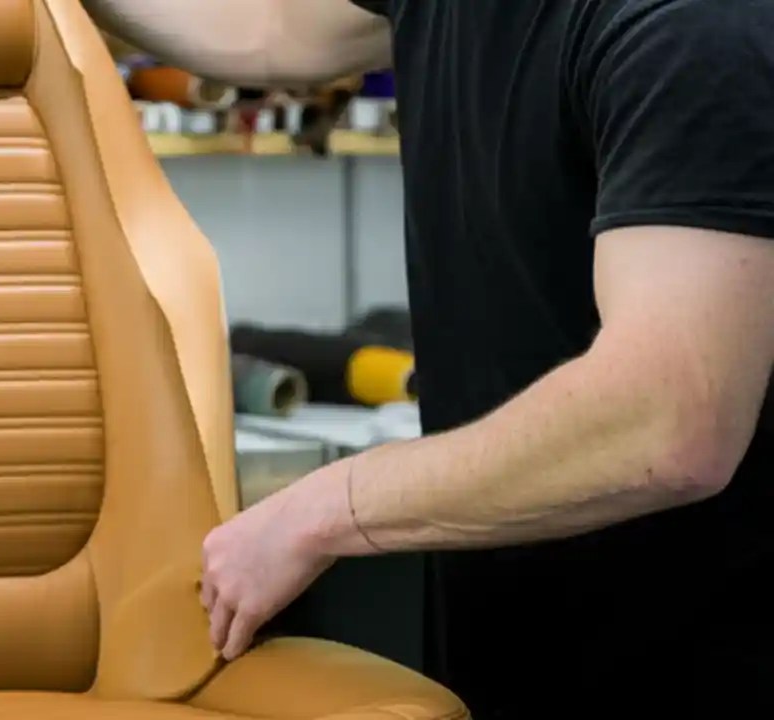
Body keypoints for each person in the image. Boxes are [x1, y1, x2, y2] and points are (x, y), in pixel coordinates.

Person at [85, 1, 774, 717]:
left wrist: (327, 508)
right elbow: (272, 29)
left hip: (698, 662)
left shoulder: (692, 26)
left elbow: (669, 419)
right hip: (511, 638)